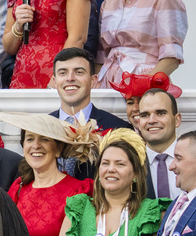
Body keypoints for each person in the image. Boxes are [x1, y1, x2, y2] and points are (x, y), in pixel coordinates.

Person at [47, 47, 132, 179]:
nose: (70, 78)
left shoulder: (118, 129)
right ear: (55, 81)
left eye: (79, 72)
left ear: (93, 81)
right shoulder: (41, 127)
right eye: (63, 73)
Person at [110, 71, 182, 138]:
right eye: (130, 103)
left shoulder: (182, 149)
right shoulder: (120, 143)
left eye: (142, 101)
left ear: (176, 119)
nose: (135, 108)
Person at [140, 87, 183, 200]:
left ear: (177, 120)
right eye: (145, 115)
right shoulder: (131, 162)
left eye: (160, 113)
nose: (152, 120)